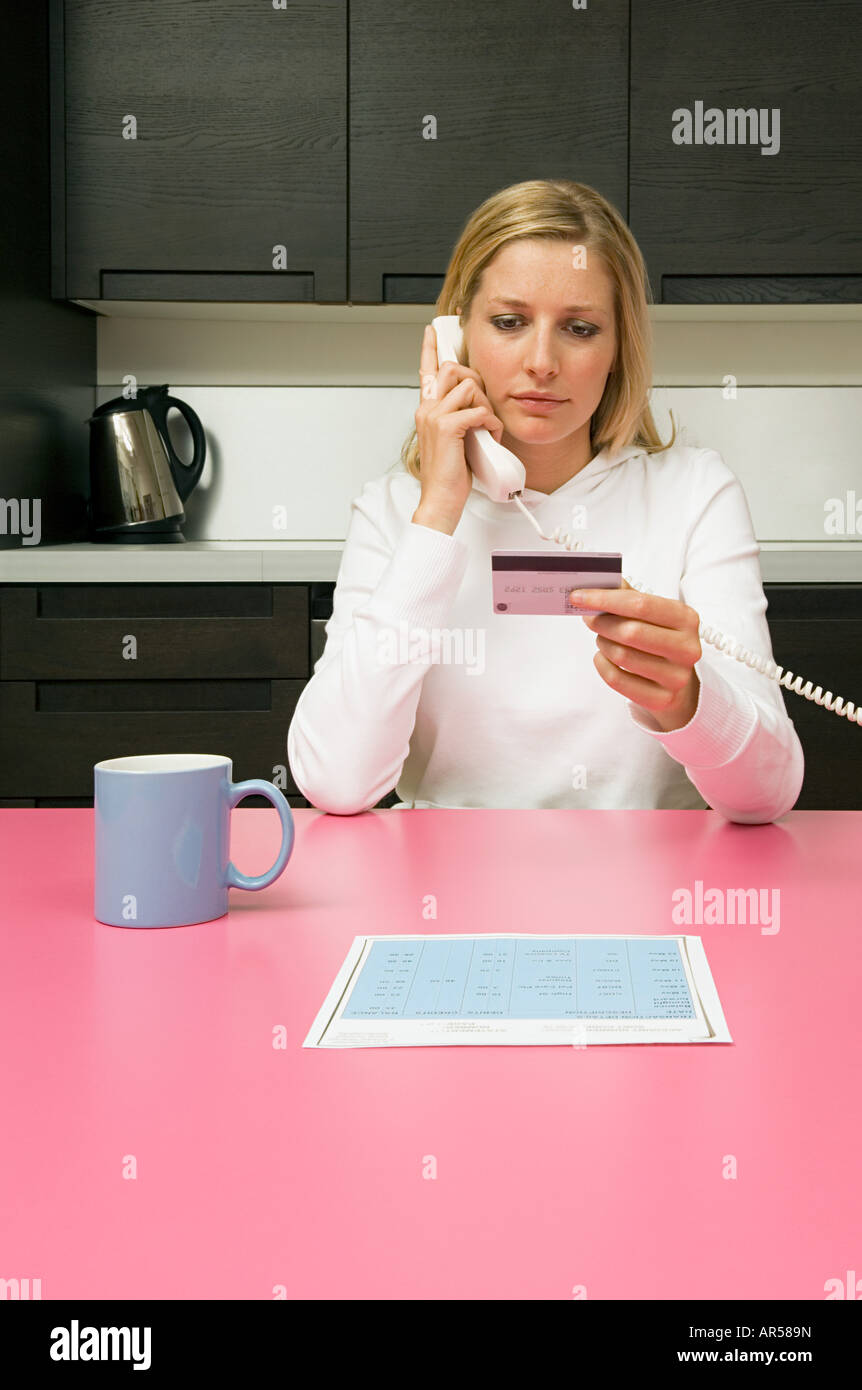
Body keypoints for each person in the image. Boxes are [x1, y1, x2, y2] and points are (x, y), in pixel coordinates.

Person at [287, 179, 804, 821]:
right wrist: (439, 514)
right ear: (457, 338)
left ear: (619, 349)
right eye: (509, 322)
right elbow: (336, 782)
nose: (541, 361)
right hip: (446, 895)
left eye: (580, 328)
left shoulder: (695, 493)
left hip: (648, 891)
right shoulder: (397, 511)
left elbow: (768, 797)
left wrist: (691, 703)